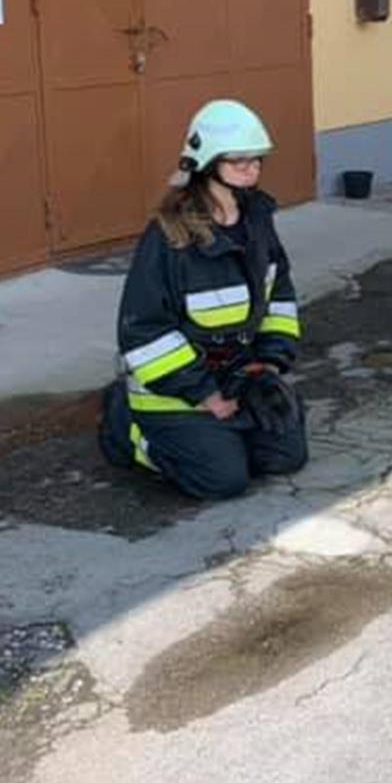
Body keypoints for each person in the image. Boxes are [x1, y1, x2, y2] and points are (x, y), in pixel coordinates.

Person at [99, 100, 307, 500]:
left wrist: (269, 363)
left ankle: (220, 439)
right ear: (208, 165)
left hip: (239, 377)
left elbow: (278, 294)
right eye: (239, 161)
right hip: (175, 392)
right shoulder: (168, 237)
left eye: (257, 160)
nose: (252, 169)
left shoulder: (257, 222)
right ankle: (126, 426)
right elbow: (144, 331)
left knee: (285, 456)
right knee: (222, 480)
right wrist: (204, 394)